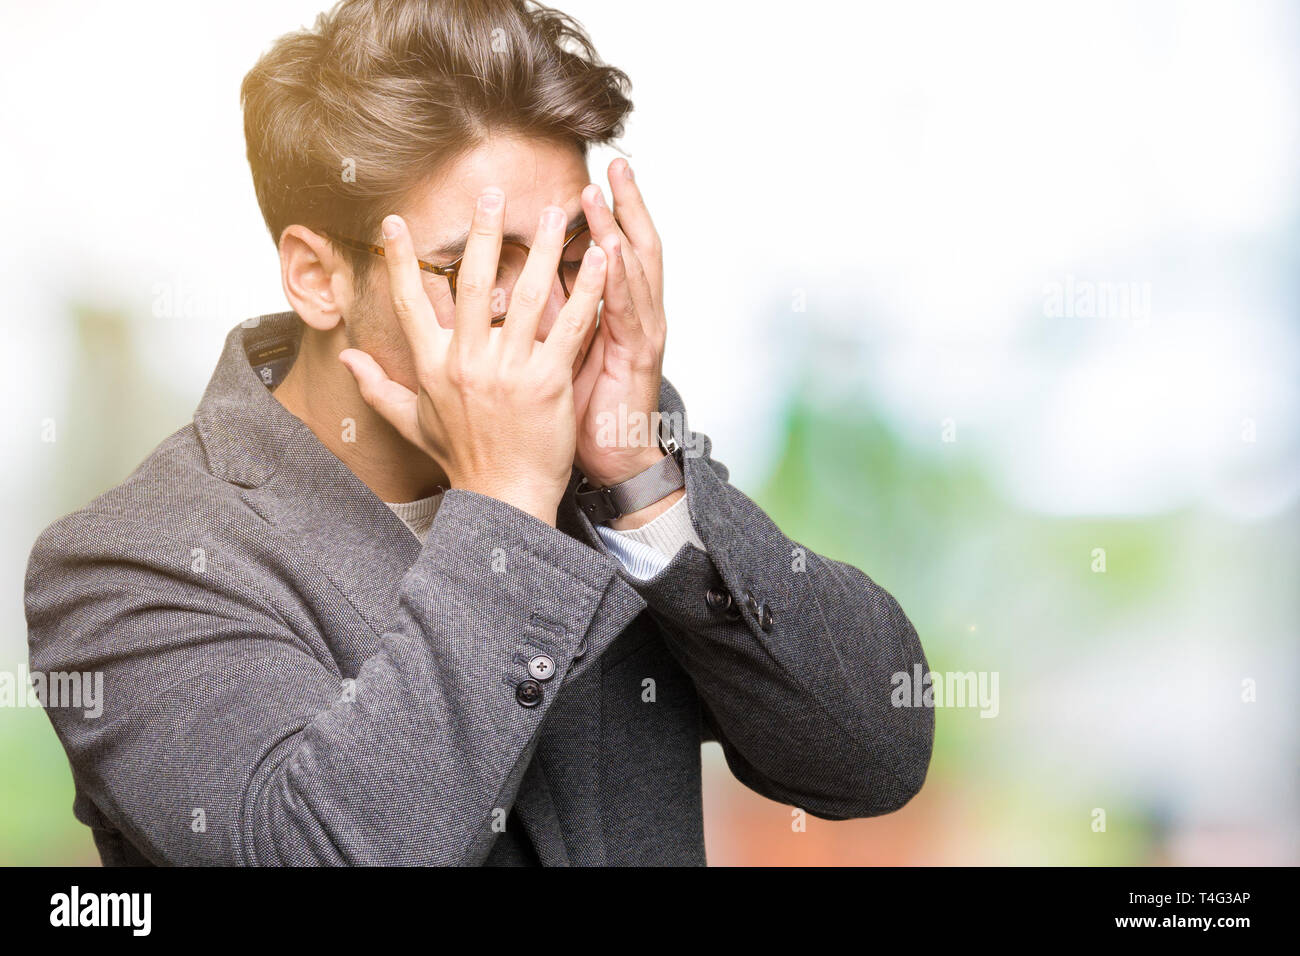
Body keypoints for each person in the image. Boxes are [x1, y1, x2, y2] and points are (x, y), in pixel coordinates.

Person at [24, 0, 933, 866]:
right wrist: (507, 501)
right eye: (475, 266)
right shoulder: (127, 566)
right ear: (316, 277)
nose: (546, 311)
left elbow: (875, 754)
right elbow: (325, 849)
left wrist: (640, 481)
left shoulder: (608, 451)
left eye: (569, 257)